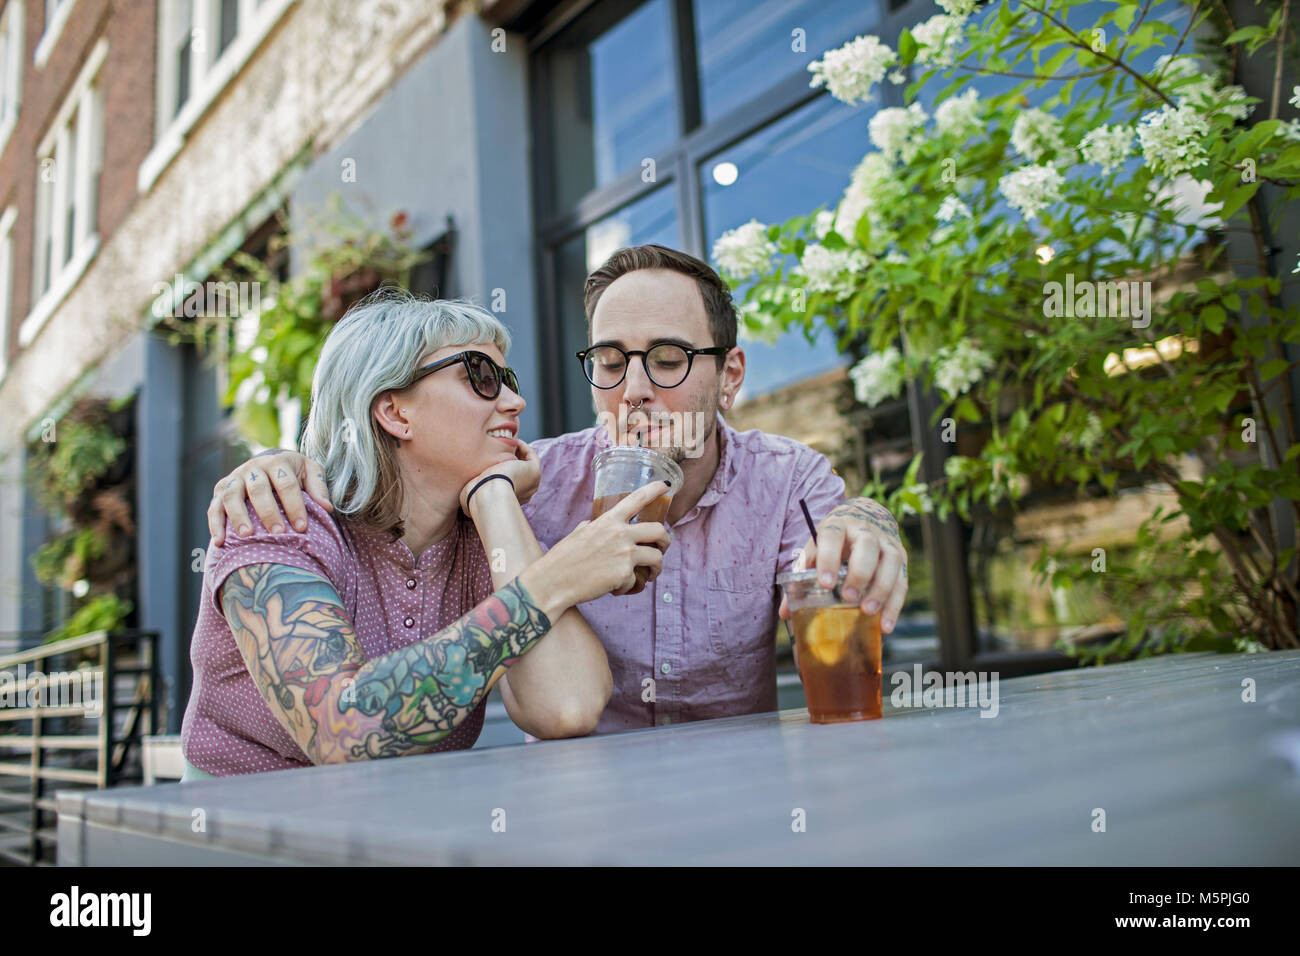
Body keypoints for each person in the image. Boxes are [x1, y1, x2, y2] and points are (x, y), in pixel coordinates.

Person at [207, 245, 908, 734]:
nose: (634, 391)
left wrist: (870, 521)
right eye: (610, 362)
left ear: (730, 375)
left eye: (668, 360)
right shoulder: (523, 482)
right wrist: (279, 460)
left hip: (739, 794)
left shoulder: (786, 479)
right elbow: (383, 481)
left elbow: (831, 584)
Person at [180, 290, 670, 776]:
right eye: (481, 377)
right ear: (395, 413)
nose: (515, 401)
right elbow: (341, 729)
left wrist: (494, 496)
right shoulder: (278, 519)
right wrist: (557, 578)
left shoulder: (480, 540)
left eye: (509, 380)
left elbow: (567, 707)